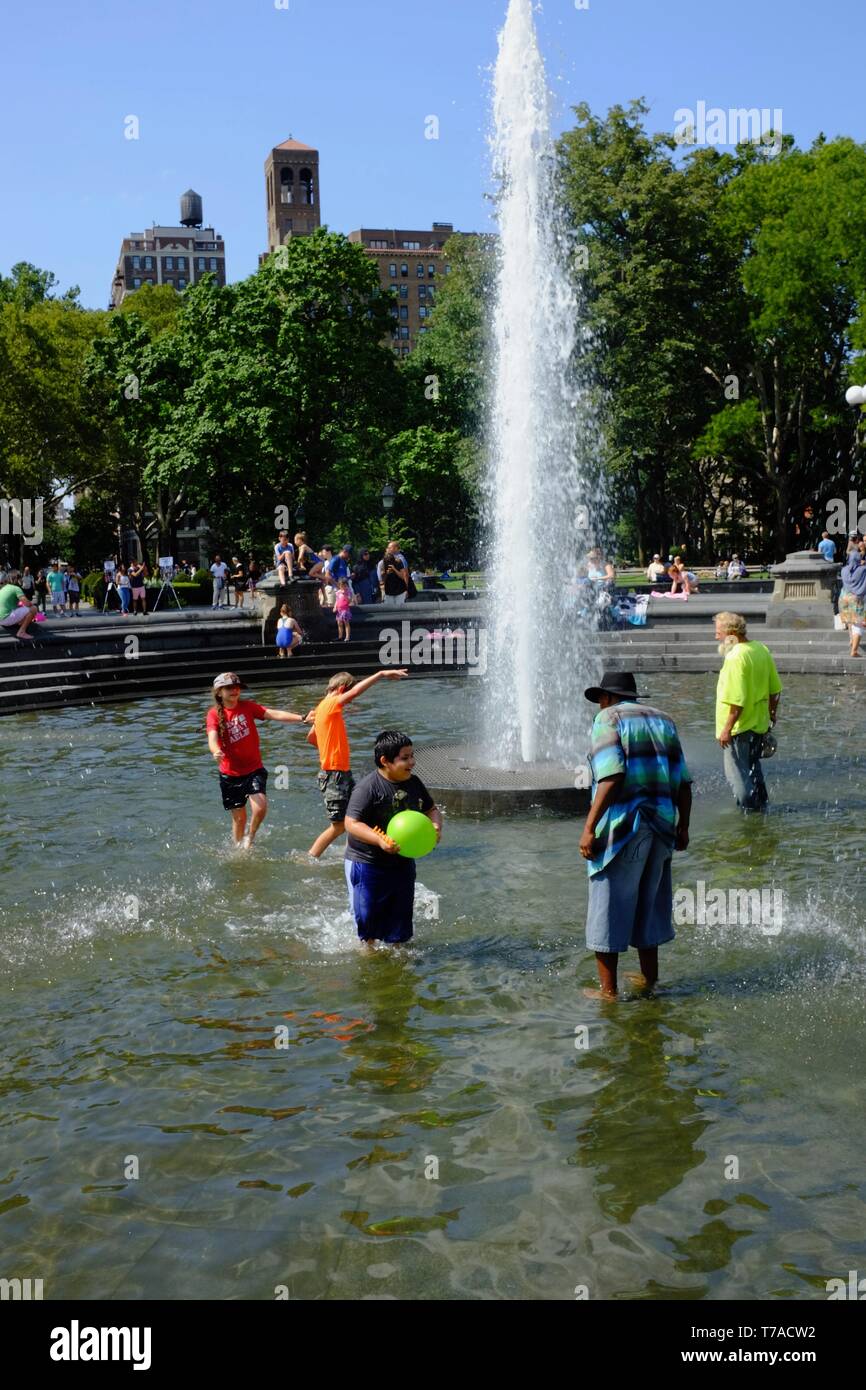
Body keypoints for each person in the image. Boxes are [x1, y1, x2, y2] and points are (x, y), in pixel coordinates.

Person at [579, 671, 691, 1001]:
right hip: (662, 827)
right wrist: (684, 826)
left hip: (624, 827)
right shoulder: (664, 720)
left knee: (608, 905)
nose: (599, 704)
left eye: (601, 698)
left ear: (608, 697)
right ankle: (649, 982)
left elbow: (612, 776)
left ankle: (608, 993)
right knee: (650, 904)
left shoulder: (607, 719)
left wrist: (589, 828)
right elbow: (683, 781)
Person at [344, 730, 443, 947]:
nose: (413, 762)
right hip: (367, 862)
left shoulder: (414, 783)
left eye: (412, 756)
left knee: (400, 919)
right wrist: (379, 840)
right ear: (385, 761)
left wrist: (435, 826)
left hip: (402, 860)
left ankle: (399, 956)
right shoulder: (368, 788)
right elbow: (351, 823)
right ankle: (368, 954)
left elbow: (432, 809)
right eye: (405, 758)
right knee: (368, 919)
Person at [305, 667, 409, 860]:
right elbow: (355, 692)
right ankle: (310, 857)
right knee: (338, 826)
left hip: (339, 772)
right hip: (334, 775)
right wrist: (381, 674)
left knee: (356, 816)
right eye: (348, 696)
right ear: (342, 688)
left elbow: (311, 737)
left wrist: (329, 745)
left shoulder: (320, 709)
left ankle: (349, 854)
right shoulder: (330, 704)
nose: (350, 702)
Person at [206, 672, 305, 848]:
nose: (234, 691)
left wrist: (302, 718)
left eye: (237, 687)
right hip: (230, 775)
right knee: (239, 818)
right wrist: (215, 751)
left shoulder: (248, 707)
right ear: (219, 692)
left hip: (254, 769)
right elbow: (212, 737)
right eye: (229, 688)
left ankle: (250, 838)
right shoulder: (214, 714)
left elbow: (274, 714)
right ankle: (237, 847)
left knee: (260, 807)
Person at [714, 612, 782, 810]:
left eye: (718, 632)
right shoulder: (760, 649)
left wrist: (727, 729)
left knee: (737, 776)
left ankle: (749, 813)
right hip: (758, 724)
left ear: (731, 633)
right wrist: (771, 714)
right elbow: (775, 689)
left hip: (738, 727)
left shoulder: (735, 657)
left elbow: (737, 700)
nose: (716, 636)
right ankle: (762, 806)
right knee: (753, 768)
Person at [839, 540, 866, 658]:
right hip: (855, 599)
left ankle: (851, 640)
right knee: (859, 624)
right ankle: (854, 651)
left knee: (850, 620)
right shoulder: (863, 570)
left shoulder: (844, 570)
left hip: (844, 598)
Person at [0, 572, 39, 641]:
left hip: (1, 619)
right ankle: (21, 632)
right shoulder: (16, 588)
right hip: (6, 618)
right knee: (33, 608)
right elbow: (27, 603)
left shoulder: (3, 588)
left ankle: (20, 624)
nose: (22, 581)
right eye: (21, 579)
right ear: (16, 579)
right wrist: (34, 607)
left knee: (24, 609)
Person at [334, 577, 354, 642]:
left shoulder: (348, 592)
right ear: (339, 586)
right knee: (339, 623)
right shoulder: (338, 593)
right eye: (342, 586)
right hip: (339, 611)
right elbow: (337, 601)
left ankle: (347, 637)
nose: (344, 587)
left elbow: (349, 601)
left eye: (345, 586)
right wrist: (335, 607)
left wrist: (345, 595)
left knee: (346, 623)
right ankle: (340, 636)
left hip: (345, 610)